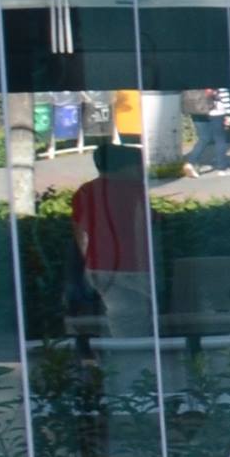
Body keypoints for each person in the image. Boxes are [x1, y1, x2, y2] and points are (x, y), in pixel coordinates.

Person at [75, 140, 154, 336]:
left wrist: (88, 262)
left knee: (120, 316)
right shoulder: (134, 190)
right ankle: (135, 360)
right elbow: (142, 228)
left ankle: (122, 352)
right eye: (138, 166)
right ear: (126, 167)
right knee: (139, 319)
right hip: (133, 266)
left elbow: (80, 233)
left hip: (98, 266)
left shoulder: (85, 191)